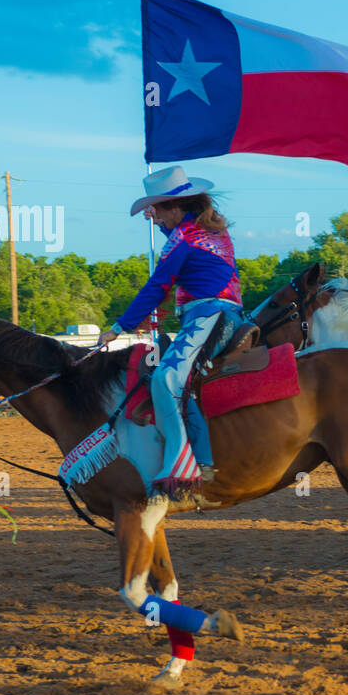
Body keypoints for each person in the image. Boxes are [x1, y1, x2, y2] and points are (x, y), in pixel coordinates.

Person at [97, 166, 245, 496]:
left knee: (166, 379)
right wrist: (164, 224)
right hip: (225, 314)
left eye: (158, 213)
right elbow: (183, 249)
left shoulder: (183, 239)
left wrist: (118, 327)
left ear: (174, 207)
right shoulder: (207, 230)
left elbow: (157, 285)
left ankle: (190, 464)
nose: (156, 221)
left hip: (208, 316)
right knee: (179, 379)